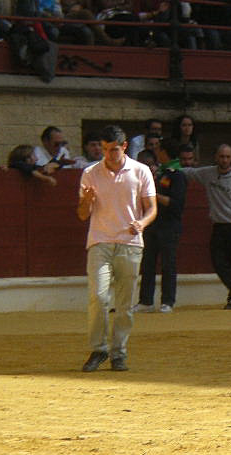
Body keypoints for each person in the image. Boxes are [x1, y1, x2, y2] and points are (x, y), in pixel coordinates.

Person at [76, 125, 157, 371]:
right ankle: (99, 349)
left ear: (123, 147)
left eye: (112, 149)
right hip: (99, 240)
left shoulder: (141, 171)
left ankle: (119, 352)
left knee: (124, 304)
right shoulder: (91, 172)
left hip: (130, 242)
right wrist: (87, 201)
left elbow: (152, 208)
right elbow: (81, 215)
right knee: (98, 298)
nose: (108, 154)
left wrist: (141, 223)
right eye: (104, 149)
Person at [180, 144, 231, 310]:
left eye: (227, 157)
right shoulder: (208, 173)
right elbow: (188, 172)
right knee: (219, 263)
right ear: (216, 157)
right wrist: (168, 170)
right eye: (222, 157)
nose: (224, 160)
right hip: (219, 226)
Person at [134, 145, 187, 313]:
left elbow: (176, 204)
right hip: (154, 224)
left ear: (165, 153)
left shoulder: (177, 175)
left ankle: (168, 301)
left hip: (169, 225)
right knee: (148, 263)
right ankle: (146, 301)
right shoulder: (161, 173)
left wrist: (153, 195)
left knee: (168, 264)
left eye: (160, 150)